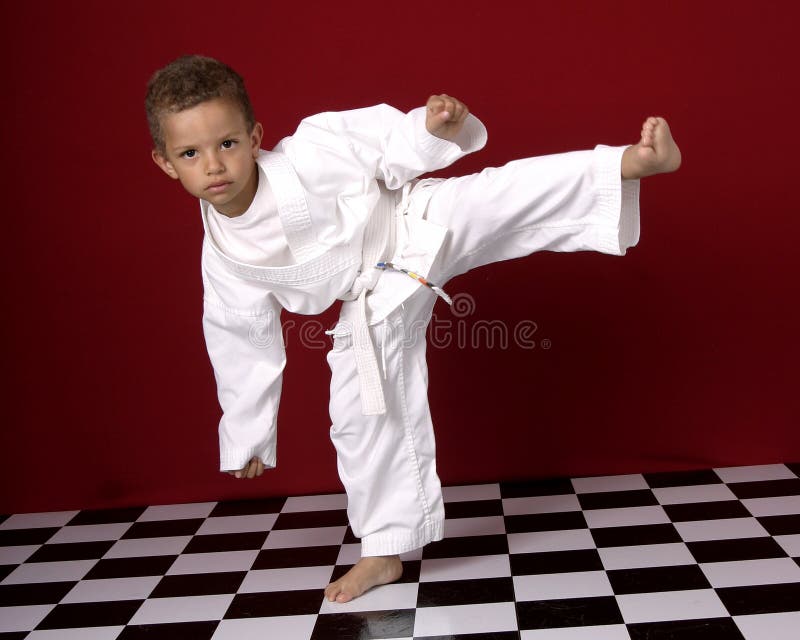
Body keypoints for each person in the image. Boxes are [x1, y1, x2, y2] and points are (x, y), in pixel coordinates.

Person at [145, 54, 681, 604]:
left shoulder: (311, 149)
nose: (214, 165)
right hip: (370, 300)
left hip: (409, 221)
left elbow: (383, 146)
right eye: (191, 153)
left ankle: (628, 164)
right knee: (358, 411)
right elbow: (240, 340)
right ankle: (383, 551)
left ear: (255, 136)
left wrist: (427, 131)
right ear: (166, 163)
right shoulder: (225, 257)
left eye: (227, 144)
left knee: (495, 197)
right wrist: (248, 431)